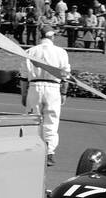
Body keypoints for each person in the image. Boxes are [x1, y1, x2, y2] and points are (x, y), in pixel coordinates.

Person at [22, 27, 71, 165]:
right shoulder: (61, 52)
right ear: (53, 37)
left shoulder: (30, 51)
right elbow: (65, 74)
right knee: (51, 121)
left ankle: (30, 150)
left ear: (40, 35)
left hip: (34, 87)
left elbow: (23, 75)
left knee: (32, 120)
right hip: (53, 88)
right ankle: (49, 153)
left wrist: (24, 94)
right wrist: (64, 93)